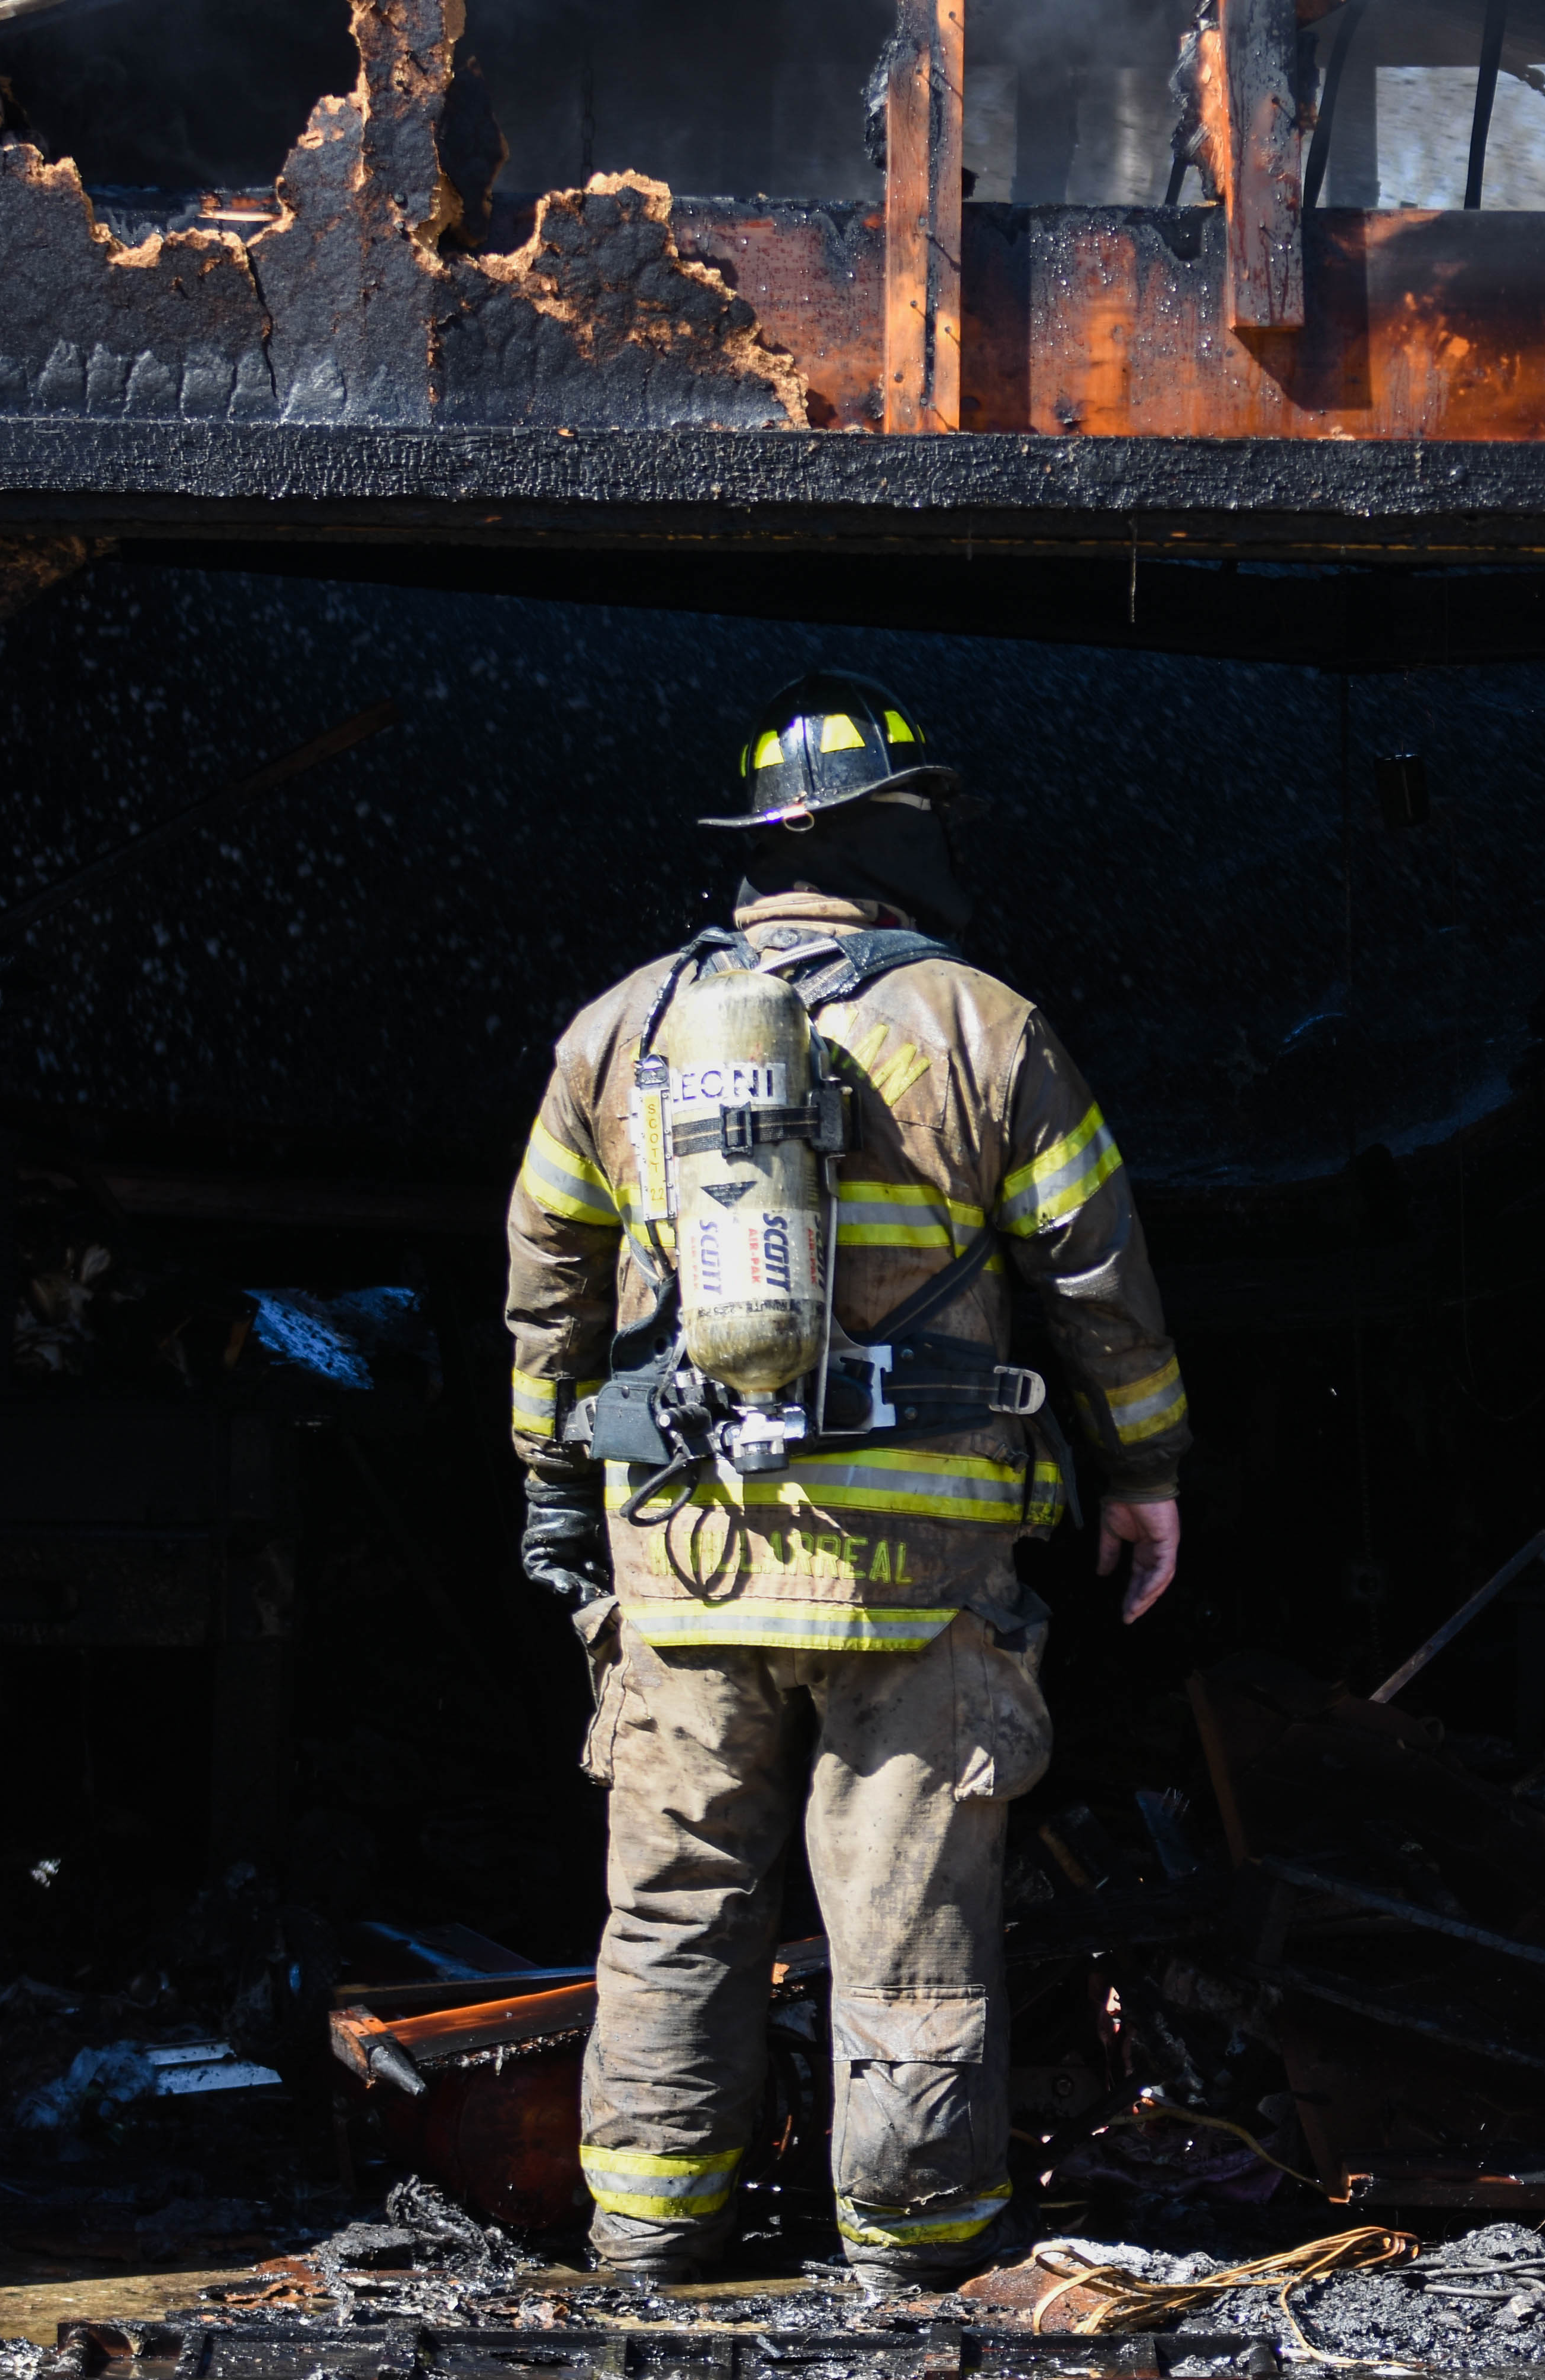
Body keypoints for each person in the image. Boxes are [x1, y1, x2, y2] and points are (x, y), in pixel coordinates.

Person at [503, 669, 1189, 2286]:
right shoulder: (981, 1025)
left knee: (675, 1913)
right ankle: (914, 2260)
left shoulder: (621, 1031)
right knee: (908, 1929)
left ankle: (649, 2243)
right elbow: (1100, 1281)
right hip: (915, 1584)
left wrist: (552, 1491)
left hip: (686, 1564)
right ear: (900, 834)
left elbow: (545, 1289)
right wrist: (1143, 1469)